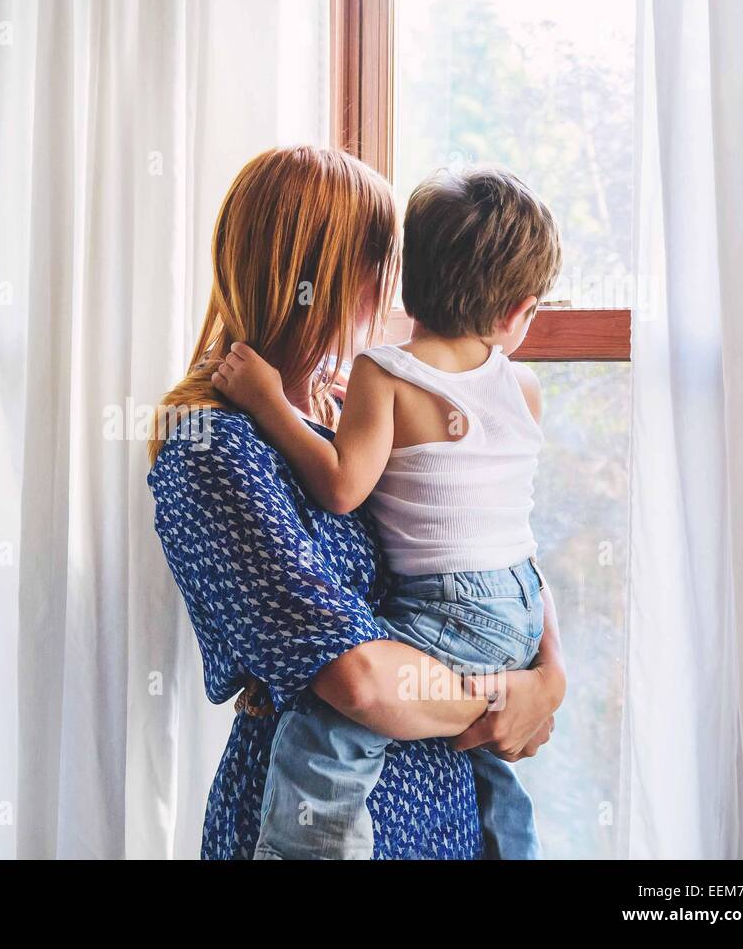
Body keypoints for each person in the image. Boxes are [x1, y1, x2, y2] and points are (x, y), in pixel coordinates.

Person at [147, 148, 564, 859]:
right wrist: (506, 700)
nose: (394, 284)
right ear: (322, 276)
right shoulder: (214, 449)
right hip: (324, 818)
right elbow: (360, 681)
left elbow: (491, 540)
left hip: (438, 808)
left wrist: (550, 675)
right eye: (379, 258)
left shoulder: (350, 413)